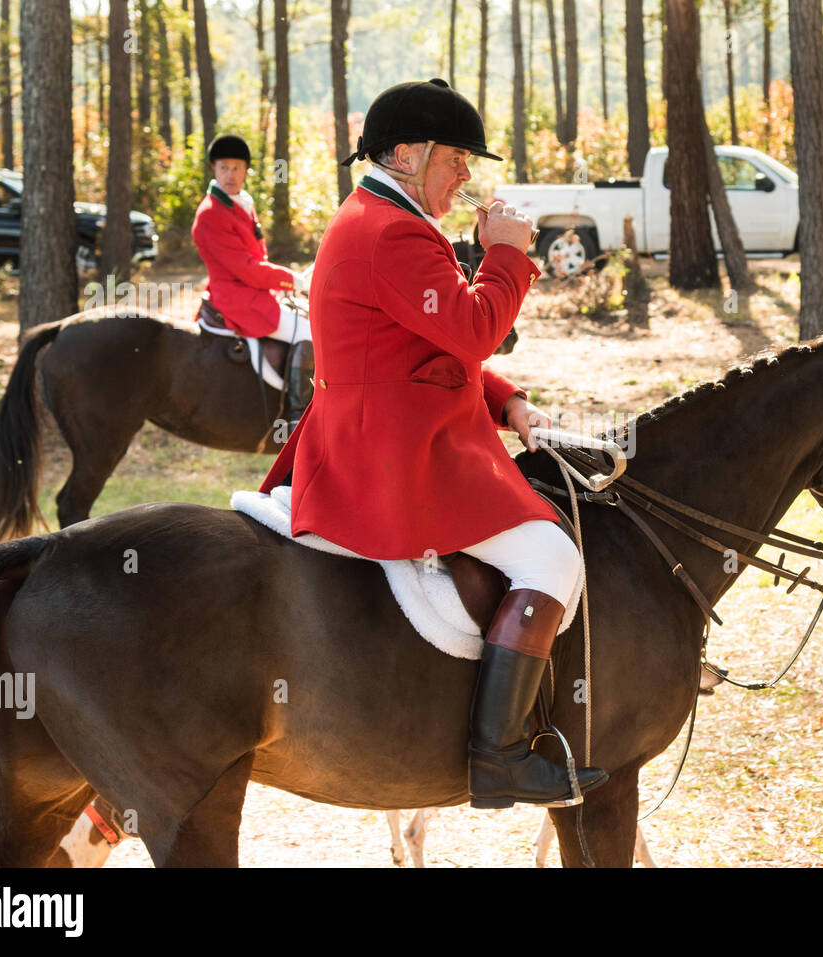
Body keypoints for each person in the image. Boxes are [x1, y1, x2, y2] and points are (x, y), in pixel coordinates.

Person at [257, 78, 607, 808]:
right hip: (393, 458)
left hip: (383, 429)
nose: (467, 173)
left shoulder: (377, 215)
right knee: (552, 556)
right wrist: (508, 256)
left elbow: (426, 351)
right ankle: (500, 755)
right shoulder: (394, 232)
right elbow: (475, 330)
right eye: (457, 157)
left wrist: (509, 400)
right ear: (408, 154)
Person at [191, 133, 315, 424]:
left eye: (236, 168)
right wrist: (293, 281)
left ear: (246, 170)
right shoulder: (211, 213)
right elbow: (246, 268)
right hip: (237, 298)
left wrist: (284, 284)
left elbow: (257, 260)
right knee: (307, 334)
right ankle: (299, 419)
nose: (230, 174)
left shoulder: (239, 203)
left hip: (254, 292)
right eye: (224, 167)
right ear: (214, 169)